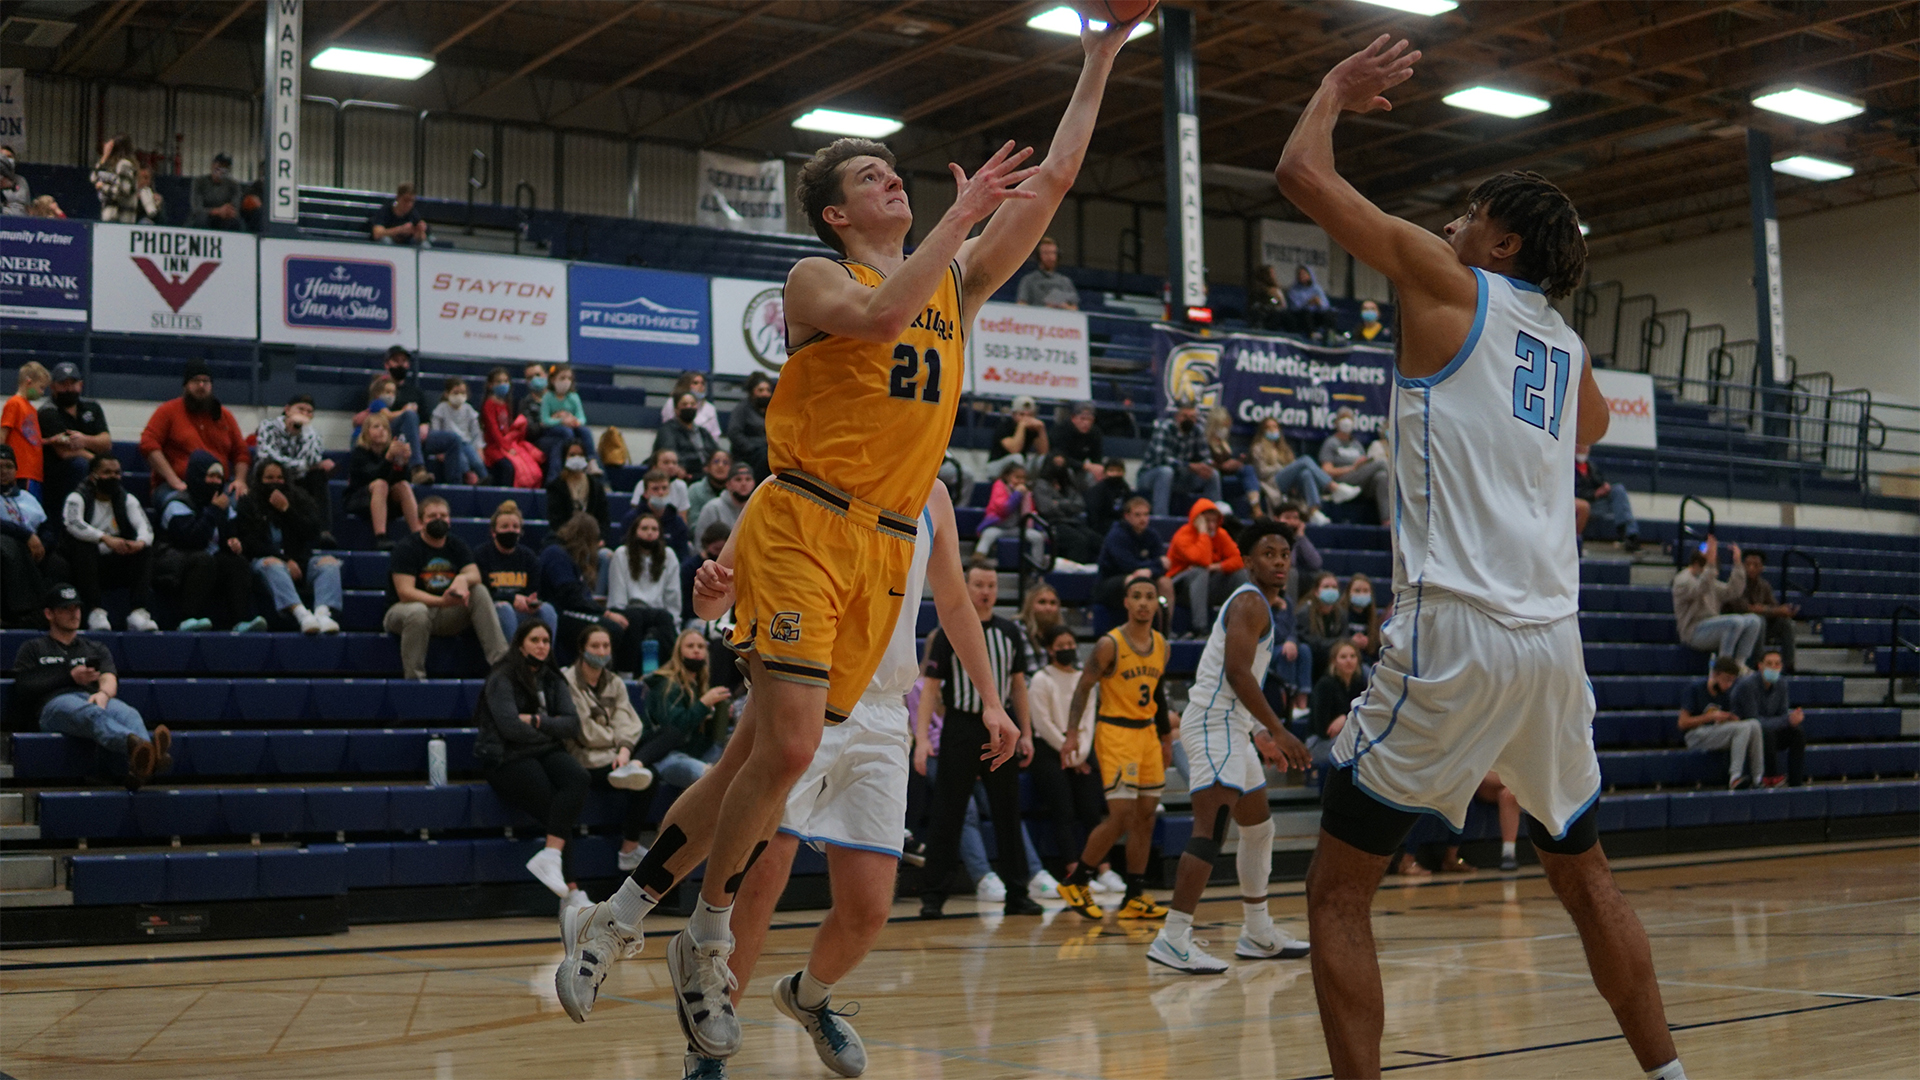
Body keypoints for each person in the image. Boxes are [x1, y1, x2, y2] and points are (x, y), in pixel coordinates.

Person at [555, 17, 1134, 1045]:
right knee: (780, 745)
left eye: (894, 171)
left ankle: (624, 913)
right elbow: (877, 323)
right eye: (872, 177)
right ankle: (707, 937)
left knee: (755, 765)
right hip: (802, 520)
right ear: (835, 211)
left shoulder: (953, 283)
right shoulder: (816, 282)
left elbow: (1049, 184)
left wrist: (1100, 57)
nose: (893, 183)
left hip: (884, 545)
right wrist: (959, 220)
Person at [1276, 37, 1681, 1079]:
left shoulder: (1449, 281)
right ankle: (1670, 1074)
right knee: (1585, 873)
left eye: (1466, 214)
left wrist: (1332, 90)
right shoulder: (1566, 342)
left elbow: (1302, 177)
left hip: (1458, 624)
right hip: (1554, 643)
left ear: (1497, 243)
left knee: (1336, 888)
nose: (1450, 224)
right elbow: (1585, 429)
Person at [700, 479, 1013, 1077]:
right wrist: (712, 593)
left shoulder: (934, 496)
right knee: (764, 877)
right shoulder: (814, 470)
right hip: (804, 693)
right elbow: (718, 599)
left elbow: (953, 603)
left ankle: (808, 995)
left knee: (869, 906)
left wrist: (992, 701)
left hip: (884, 712)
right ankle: (708, 1045)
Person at [1148, 519, 1312, 972]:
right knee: (1212, 828)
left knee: (1259, 827)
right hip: (1214, 723)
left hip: (1234, 727)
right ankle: (1173, 937)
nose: (1279, 561)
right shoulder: (1249, 603)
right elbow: (1237, 674)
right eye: (1268, 553)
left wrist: (1258, 733)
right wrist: (1278, 729)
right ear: (1247, 560)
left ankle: (1257, 932)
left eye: (1284, 553)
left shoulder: (1260, 605)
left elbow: (1238, 676)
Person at [914, 560, 1039, 920]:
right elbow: (929, 689)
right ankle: (933, 896)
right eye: (979, 584)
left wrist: (1027, 733)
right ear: (966, 587)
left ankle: (1018, 891)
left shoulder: (1010, 632)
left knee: (1007, 812)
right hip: (960, 727)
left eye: (992, 585)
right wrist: (922, 739)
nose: (986, 591)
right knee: (947, 814)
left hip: (1001, 730)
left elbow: (1018, 687)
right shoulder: (948, 631)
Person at [1054, 576, 1173, 921]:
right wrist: (1072, 733)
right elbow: (1083, 687)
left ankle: (1134, 894)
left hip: (1147, 735)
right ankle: (1077, 880)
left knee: (1146, 815)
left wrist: (1165, 738)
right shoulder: (1111, 643)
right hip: (1117, 733)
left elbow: (1158, 694)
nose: (1143, 603)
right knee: (1121, 815)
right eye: (1136, 596)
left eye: (1149, 597)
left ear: (1156, 604)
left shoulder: (1162, 644)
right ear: (1126, 602)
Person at [474, 619, 589, 907]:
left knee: (578, 778)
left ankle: (550, 856)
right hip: (505, 757)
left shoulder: (552, 677)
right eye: (535, 640)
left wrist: (538, 721)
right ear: (520, 643)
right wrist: (551, 731)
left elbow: (573, 724)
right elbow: (510, 728)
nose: (541, 646)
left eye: (546, 641)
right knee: (555, 805)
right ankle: (571, 892)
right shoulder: (502, 676)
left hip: (539, 749)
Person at [14, 584, 171, 787]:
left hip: (93, 697)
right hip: (54, 705)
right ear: (49, 614)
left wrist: (104, 694)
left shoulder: (94, 647)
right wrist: (70, 677)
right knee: (92, 714)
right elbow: (23, 686)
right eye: (66, 609)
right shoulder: (33, 647)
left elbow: (108, 676)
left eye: (76, 608)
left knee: (129, 714)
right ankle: (146, 752)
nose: (74, 614)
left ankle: (141, 768)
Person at [384, 495, 509, 681]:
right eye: (432, 516)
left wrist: (462, 578)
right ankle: (415, 680)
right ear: (420, 521)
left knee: (479, 591)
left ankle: (503, 668)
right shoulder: (407, 548)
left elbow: (475, 575)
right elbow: (405, 593)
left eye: (443, 515)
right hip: (404, 612)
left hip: (444, 613)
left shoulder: (456, 545)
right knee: (417, 611)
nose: (439, 520)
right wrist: (441, 601)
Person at [564, 624, 654, 874]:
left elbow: (627, 720)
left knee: (651, 776)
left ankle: (630, 846)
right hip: (585, 760)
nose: (601, 651)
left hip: (617, 757)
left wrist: (624, 750)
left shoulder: (614, 682)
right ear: (582, 649)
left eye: (605, 646)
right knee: (637, 774)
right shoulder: (568, 681)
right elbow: (584, 732)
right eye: (595, 646)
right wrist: (618, 743)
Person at [151, 451, 255, 634]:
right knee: (203, 559)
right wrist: (213, 511)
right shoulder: (177, 503)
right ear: (197, 476)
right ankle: (186, 618)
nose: (216, 482)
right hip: (171, 560)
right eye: (211, 476)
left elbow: (228, 535)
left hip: (205, 560)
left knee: (237, 563)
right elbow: (191, 540)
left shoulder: (223, 504)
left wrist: (233, 542)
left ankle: (240, 622)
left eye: (219, 477)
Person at [236, 460, 342, 634]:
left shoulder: (298, 499)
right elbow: (251, 543)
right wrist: (285, 560)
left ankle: (323, 614)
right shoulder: (248, 502)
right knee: (272, 563)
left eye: (279, 478)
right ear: (259, 479)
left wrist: (287, 510)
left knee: (329, 563)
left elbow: (313, 531)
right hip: (263, 564)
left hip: (299, 562)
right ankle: (301, 614)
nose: (275, 482)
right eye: (269, 478)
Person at [61, 455, 158, 633]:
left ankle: (139, 613)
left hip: (115, 563)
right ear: (93, 476)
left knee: (145, 550)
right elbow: (73, 524)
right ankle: (94, 611)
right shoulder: (77, 497)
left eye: (117, 473)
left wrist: (139, 543)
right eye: (107, 472)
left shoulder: (126, 498)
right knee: (84, 545)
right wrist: (104, 538)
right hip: (84, 564)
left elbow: (146, 529)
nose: (113, 477)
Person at [140, 358, 249, 502]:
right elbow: (148, 444)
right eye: (196, 381)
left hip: (217, 486)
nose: (201, 385)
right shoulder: (168, 411)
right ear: (186, 385)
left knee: (244, 505)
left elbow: (241, 452)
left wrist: (240, 480)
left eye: (206, 381)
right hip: (178, 486)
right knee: (180, 509)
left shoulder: (225, 416)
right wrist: (172, 479)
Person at [641, 629, 732, 790]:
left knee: (734, 761)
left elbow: (703, 737)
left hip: (696, 754)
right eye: (690, 646)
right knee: (709, 776)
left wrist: (722, 717)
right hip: (668, 756)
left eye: (701, 647)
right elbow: (673, 730)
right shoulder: (665, 685)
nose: (696, 650)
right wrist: (703, 705)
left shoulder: (702, 686)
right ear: (678, 653)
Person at [538, 513, 625, 668]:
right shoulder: (556, 554)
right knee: (611, 629)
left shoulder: (571, 557)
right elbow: (570, 597)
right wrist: (605, 613)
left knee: (627, 620)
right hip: (561, 612)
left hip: (573, 609)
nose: (599, 545)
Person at [253, 394, 335, 542]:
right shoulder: (268, 426)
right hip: (269, 480)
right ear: (287, 410)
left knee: (318, 475)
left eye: (309, 412)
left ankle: (323, 531)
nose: (305, 414)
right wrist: (303, 466)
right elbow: (268, 458)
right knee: (270, 473)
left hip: (297, 482)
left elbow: (313, 460)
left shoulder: (313, 434)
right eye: (301, 409)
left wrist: (303, 431)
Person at [606, 511, 682, 672]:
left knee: (666, 620)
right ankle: (627, 673)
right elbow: (617, 592)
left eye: (654, 529)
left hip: (657, 611)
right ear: (635, 532)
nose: (650, 533)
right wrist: (618, 612)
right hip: (630, 610)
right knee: (634, 619)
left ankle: (666, 674)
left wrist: (674, 621)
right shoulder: (621, 554)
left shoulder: (669, 556)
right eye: (645, 528)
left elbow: (673, 595)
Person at [37, 362, 111, 523]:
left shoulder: (92, 407)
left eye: (73, 383)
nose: (69, 389)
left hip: (90, 471)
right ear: (53, 387)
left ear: (81, 385)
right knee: (80, 464)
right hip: (57, 477)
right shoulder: (48, 412)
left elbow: (106, 443)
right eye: (63, 384)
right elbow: (64, 451)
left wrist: (84, 440)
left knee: (112, 470)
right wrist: (96, 462)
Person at [1163, 498, 1246, 639]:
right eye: (1207, 521)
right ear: (1197, 520)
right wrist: (1203, 533)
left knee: (1241, 574)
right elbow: (1202, 560)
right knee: (1199, 571)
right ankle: (1200, 628)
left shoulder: (1221, 534)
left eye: (1214, 521)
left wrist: (1219, 566)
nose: (1212, 525)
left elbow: (1240, 560)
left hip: (1206, 586)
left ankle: (1240, 626)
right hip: (1181, 588)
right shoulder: (1183, 535)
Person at [1673, 535, 1761, 666]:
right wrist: (1710, 565)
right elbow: (1700, 589)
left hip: (1713, 626)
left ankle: (1739, 664)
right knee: (1735, 622)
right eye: (1709, 567)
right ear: (1697, 565)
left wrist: (1738, 564)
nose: (1714, 572)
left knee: (1754, 621)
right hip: (1694, 631)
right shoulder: (1683, 580)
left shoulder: (1709, 581)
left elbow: (1733, 591)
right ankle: (1723, 665)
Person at [0, 447, 63, 628]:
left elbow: (47, 527)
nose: (3, 471)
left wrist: (42, 544)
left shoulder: (27, 497)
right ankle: (22, 613)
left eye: (8, 466)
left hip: (32, 549)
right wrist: (27, 535)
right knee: (9, 548)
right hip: (8, 546)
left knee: (58, 563)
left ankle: (54, 613)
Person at [1679, 657, 1764, 790]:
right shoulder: (1694, 689)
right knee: (1743, 728)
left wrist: (1729, 719)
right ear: (1715, 674)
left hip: (1716, 733)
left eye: (1732, 680)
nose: (1729, 684)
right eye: (1726, 679)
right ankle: (1735, 777)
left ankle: (1758, 777)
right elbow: (1682, 723)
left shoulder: (1725, 695)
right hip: (1695, 735)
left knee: (1754, 724)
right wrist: (1710, 717)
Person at [475, 500, 556, 638]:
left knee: (548, 610)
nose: (511, 530)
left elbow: (534, 589)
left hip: (523, 610)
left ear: (520, 531)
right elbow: (483, 593)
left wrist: (530, 602)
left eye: (515, 527)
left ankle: (546, 657)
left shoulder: (528, 556)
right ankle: (511, 659)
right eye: (505, 526)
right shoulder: (481, 554)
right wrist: (511, 599)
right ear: (494, 532)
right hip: (493, 611)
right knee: (505, 609)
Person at [1247, 416, 1350, 521]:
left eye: (1275, 427)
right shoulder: (1258, 448)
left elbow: (1293, 467)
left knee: (1306, 473)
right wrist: (1281, 468)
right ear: (1263, 430)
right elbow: (1261, 472)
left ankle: (1314, 512)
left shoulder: (1284, 449)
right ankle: (1334, 487)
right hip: (1272, 483)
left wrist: (1288, 469)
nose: (1273, 430)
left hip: (1290, 484)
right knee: (1305, 460)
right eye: (1268, 427)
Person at [1731, 649, 1806, 788]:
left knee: (1797, 733)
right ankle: (1771, 778)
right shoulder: (1747, 685)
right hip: (1748, 733)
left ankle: (1796, 783)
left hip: (1770, 729)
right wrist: (1787, 720)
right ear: (1760, 666)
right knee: (1767, 732)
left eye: (1777, 664)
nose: (1773, 667)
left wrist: (1792, 719)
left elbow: (1783, 714)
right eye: (1769, 663)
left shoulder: (1782, 684)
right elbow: (1754, 720)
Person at [345, 414, 419, 548]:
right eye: (376, 427)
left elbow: (403, 479)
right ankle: (381, 536)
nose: (381, 430)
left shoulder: (390, 451)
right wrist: (389, 458)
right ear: (366, 432)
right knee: (380, 484)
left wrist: (402, 464)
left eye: (385, 427)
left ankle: (418, 535)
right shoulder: (359, 453)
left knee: (403, 486)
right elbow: (372, 476)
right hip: (360, 500)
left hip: (386, 501)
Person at [1138, 402, 1219, 518]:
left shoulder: (1198, 431)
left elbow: (1206, 457)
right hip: (1151, 476)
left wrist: (1205, 466)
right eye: (1185, 416)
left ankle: (1214, 517)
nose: (1189, 420)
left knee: (1213, 474)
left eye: (1192, 417)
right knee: (1166, 472)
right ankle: (1161, 518)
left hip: (1181, 478)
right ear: (1177, 417)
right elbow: (1161, 459)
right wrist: (1189, 466)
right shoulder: (1165, 428)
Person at [1316, 407, 1390, 525]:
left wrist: (1363, 465)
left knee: (1381, 477)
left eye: (1349, 418)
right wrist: (1352, 468)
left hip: (1360, 483)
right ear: (1336, 422)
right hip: (1340, 482)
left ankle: (1387, 522)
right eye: (1343, 418)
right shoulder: (1331, 442)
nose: (1346, 421)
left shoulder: (1357, 444)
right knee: (1381, 463)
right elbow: (1326, 470)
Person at [1097, 495, 1169, 613]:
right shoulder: (1117, 535)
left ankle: (1165, 628)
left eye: (1146, 514)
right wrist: (1155, 565)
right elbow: (1128, 566)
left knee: (1165, 582)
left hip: (1144, 576)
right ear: (1127, 516)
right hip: (1111, 582)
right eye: (1138, 515)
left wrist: (1150, 570)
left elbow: (1164, 565)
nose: (1143, 519)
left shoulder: (1152, 535)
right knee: (1135, 580)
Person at [1730, 549, 1799, 671]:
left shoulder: (1764, 585)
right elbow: (1746, 609)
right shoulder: (1736, 583)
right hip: (1740, 628)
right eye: (1748, 564)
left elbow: (1774, 607)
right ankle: (1759, 664)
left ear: (1762, 568)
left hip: (1762, 629)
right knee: (1758, 620)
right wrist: (1773, 610)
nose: (1751, 568)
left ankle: (1789, 666)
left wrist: (1784, 611)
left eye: (1755, 565)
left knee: (1786, 623)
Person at [1439, 773, 1522, 873]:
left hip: (1509, 782)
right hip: (1479, 781)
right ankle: (1450, 857)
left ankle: (1508, 854)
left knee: (1509, 794)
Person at [973, 459, 1046, 569]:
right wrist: (1016, 494)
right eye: (1017, 477)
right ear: (1007, 477)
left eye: (1023, 478)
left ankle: (1036, 569)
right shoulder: (999, 486)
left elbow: (1030, 513)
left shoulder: (1026, 493)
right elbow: (1004, 509)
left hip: (1016, 528)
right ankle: (977, 563)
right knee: (988, 535)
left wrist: (1040, 528)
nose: (1020, 481)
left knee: (1037, 537)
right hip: (998, 526)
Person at [1307, 640, 1366, 770]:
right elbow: (1323, 731)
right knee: (1361, 749)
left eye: (1352, 656)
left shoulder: (1359, 684)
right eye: (1343, 657)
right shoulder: (1325, 685)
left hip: (1348, 738)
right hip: (1319, 743)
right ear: (1334, 661)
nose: (1349, 661)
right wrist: (1349, 718)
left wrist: (1345, 717)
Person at [1032, 459, 1101, 565]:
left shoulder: (1067, 484)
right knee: (1078, 540)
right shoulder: (1041, 485)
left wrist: (1058, 504)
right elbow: (1046, 508)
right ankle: (1073, 574)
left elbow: (1079, 505)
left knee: (1096, 539)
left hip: (1072, 521)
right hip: (1052, 523)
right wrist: (1067, 505)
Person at [481, 366, 542, 487]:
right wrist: (506, 447)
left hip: (507, 444)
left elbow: (507, 428)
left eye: (505, 381)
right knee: (508, 467)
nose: (503, 384)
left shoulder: (506, 404)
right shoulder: (489, 404)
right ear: (490, 385)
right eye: (499, 382)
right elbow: (493, 429)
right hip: (494, 447)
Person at [1573, 444, 1640, 551]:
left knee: (1618, 490)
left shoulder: (1591, 466)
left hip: (1596, 503)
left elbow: (1600, 481)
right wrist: (1594, 494)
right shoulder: (1570, 467)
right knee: (1585, 506)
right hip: (1581, 503)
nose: (1583, 451)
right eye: (1580, 448)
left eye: (1585, 448)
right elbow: (1573, 491)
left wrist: (1605, 487)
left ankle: (1630, 534)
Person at [538, 365, 597, 484]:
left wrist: (575, 421)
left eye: (569, 378)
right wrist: (561, 421)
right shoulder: (548, 397)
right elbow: (544, 420)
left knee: (585, 431)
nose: (566, 381)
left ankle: (591, 461)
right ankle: (567, 459)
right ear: (553, 380)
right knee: (566, 432)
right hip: (553, 429)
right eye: (562, 378)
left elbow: (582, 417)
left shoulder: (574, 397)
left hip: (571, 425)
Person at [546, 438, 611, 537]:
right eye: (572, 455)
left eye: (580, 455)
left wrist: (600, 538)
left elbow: (603, 517)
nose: (576, 458)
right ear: (564, 457)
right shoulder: (556, 486)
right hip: (564, 537)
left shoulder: (596, 486)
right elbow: (555, 520)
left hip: (591, 537)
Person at [1, 361, 47, 498]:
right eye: (41, 387)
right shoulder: (14, 403)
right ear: (29, 382)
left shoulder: (31, 408)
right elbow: (3, 433)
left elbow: (31, 439)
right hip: (22, 470)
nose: (41, 392)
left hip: (34, 472)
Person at [430, 378, 486, 486]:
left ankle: (485, 481)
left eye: (462, 393)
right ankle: (468, 477)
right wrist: (438, 451)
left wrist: (479, 448)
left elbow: (475, 432)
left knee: (477, 462)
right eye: (455, 393)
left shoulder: (468, 409)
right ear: (447, 394)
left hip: (466, 443)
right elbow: (435, 430)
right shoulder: (441, 409)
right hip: (449, 446)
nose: (459, 396)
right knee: (462, 461)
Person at [629, 467, 691, 562]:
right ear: (645, 493)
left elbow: (683, 556)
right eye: (655, 489)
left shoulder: (678, 522)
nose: (661, 492)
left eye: (664, 488)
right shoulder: (632, 519)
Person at [656, 391, 722, 475]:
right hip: (687, 474)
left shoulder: (702, 432)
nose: (689, 407)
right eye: (685, 404)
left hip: (707, 475)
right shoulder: (667, 430)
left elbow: (716, 452)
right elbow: (670, 454)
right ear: (676, 410)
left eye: (692, 404)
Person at [987, 394, 1049, 477]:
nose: (1026, 418)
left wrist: (1041, 429)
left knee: (1043, 460)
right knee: (1017, 458)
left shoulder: (1033, 429)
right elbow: (1015, 449)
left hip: (1021, 465)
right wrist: (1021, 426)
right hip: (997, 466)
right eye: (1022, 415)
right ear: (1014, 414)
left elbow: (1043, 452)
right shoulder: (1004, 426)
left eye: (1029, 415)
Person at [725, 373, 772, 480]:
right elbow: (734, 433)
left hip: (768, 451)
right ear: (752, 392)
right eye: (760, 390)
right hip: (749, 454)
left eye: (768, 390)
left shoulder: (774, 410)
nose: (765, 394)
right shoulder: (742, 409)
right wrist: (750, 447)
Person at [693, 463, 754, 540]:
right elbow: (701, 544)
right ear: (728, 484)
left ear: (753, 483)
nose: (744, 484)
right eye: (738, 479)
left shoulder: (759, 509)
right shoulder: (712, 508)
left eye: (748, 479)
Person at [1201, 407, 1247, 510]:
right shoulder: (1204, 441)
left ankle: (1254, 503)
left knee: (1248, 470)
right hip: (1214, 477)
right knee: (1215, 475)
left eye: (1227, 426)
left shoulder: (1225, 444)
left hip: (1229, 474)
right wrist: (1223, 466)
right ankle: (1216, 509)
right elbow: (1206, 462)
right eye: (1222, 426)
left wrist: (1237, 462)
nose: (1224, 429)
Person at [1015, 235, 1078, 309]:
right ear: (1039, 256)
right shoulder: (1028, 280)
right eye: (1046, 253)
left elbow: (1074, 308)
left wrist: (1063, 307)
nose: (1050, 257)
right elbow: (1021, 305)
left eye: (1053, 253)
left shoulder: (1065, 281)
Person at [189, 151, 246, 231]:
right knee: (200, 219)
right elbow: (197, 208)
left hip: (224, 218)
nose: (222, 170)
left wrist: (226, 212)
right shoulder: (199, 182)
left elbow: (234, 208)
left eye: (225, 167)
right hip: (205, 217)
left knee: (236, 222)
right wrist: (217, 211)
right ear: (213, 165)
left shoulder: (234, 185)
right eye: (219, 166)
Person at [661, 371, 724, 443]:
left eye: (702, 383)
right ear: (685, 385)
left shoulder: (710, 408)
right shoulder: (672, 403)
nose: (700, 386)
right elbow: (668, 428)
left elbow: (715, 434)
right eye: (695, 383)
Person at [1052, 401, 1105, 487]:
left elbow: (1097, 459)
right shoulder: (1062, 430)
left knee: (1097, 472)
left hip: (1080, 469)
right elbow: (1058, 456)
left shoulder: (1095, 433)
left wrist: (1097, 468)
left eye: (1089, 420)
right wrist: (1084, 466)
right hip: (1060, 466)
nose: (1086, 423)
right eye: (1082, 419)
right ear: (1073, 418)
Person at [1280, 264, 1336, 340]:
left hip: (1316, 314)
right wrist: (1308, 303)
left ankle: (1330, 334)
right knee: (1306, 313)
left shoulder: (1316, 288)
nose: (1301, 276)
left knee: (1330, 313)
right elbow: (1295, 307)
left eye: (1304, 274)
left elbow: (1326, 305)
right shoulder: (1293, 290)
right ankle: (1312, 333)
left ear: (1309, 275)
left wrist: (1319, 303)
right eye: (1299, 274)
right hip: (1301, 315)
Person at [92, 135, 139, 223]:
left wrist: (103, 187)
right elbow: (94, 177)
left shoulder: (124, 165)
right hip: (110, 216)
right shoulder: (111, 166)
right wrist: (103, 158)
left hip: (121, 217)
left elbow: (124, 191)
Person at [1342, 572, 1383, 664]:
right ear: (1348, 593)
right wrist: (1350, 642)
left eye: (1365, 591)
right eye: (1357, 591)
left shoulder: (1373, 618)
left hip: (1367, 661)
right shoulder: (1340, 614)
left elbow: (1376, 650)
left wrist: (1369, 643)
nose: (1361, 594)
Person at [1085, 457, 1132, 537]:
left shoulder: (1125, 488)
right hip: (1102, 526)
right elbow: (1094, 516)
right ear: (1105, 472)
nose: (1115, 474)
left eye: (1118, 471)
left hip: (1122, 524)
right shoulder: (1098, 490)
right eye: (1111, 471)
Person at [686, 450, 733, 522]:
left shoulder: (736, 491)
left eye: (725, 463)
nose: (720, 466)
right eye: (716, 462)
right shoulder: (695, 490)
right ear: (707, 467)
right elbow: (693, 523)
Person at [1249, 265, 1288, 332]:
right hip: (1265, 314)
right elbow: (1268, 301)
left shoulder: (1276, 288)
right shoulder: (1260, 290)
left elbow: (1280, 304)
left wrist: (1278, 299)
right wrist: (1274, 299)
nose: (1274, 275)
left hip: (1276, 313)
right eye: (1271, 273)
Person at [0, 146, 30, 216]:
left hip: (20, 219)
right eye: (4, 156)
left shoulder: (21, 180)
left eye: (10, 156)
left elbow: (28, 206)